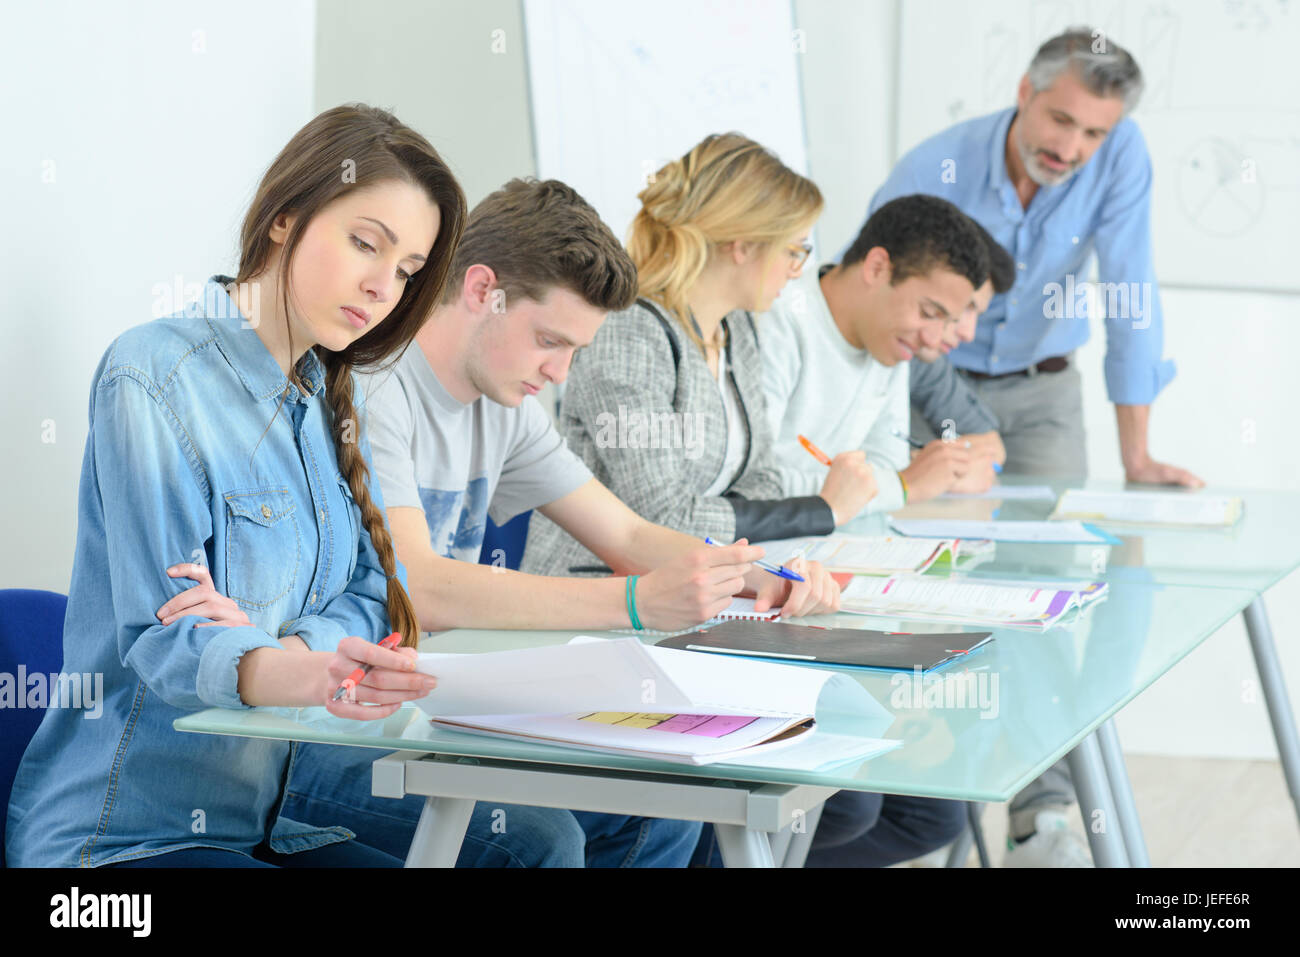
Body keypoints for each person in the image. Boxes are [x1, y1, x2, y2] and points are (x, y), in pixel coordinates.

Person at [184, 176, 840, 867]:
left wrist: (752, 574)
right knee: (539, 843)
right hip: (322, 728)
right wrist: (633, 601)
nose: (559, 372)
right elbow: (419, 585)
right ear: (480, 290)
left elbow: (627, 536)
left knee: (657, 811)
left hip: (434, 707)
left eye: (574, 351)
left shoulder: (506, 404)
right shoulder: (374, 383)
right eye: (549, 340)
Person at [5, 104, 467, 867]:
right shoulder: (152, 373)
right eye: (365, 244)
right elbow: (168, 637)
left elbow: (375, 591)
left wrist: (282, 648)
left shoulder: (329, 396)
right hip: (120, 843)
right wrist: (311, 665)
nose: (384, 286)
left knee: (526, 845)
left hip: (268, 822)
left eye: (407, 271)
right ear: (285, 217)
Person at [520, 133, 965, 867]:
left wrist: (772, 571)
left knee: (887, 796)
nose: (800, 271)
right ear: (738, 244)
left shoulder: (739, 335)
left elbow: (756, 478)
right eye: (792, 251)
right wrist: (818, 514)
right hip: (607, 609)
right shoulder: (633, 327)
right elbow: (659, 511)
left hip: (707, 603)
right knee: (837, 796)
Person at [854, 26, 1202, 489]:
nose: (1069, 149)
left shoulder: (1121, 154)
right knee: (929, 539)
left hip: (1044, 393)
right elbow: (861, 288)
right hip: (933, 382)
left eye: (1093, 133)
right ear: (1025, 92)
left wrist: (1136, 460)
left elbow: (1128, 294)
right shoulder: (936, 166)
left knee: (1056, 549)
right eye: (1060, 120)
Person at [760, 194, 1000, 509]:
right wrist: (902, 486)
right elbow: (752, 486)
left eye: (946, 321)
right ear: (876, 268)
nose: (932, 339)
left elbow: (887, 460)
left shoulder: (886, 340)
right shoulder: (776, 320)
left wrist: (892, 482)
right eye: (928, 312)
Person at [907, 219, 1016, 465]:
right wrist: (919, 467)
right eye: (965, 307)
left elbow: (989, 446)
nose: (968, 334)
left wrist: (934, 465)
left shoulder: (923, 357)